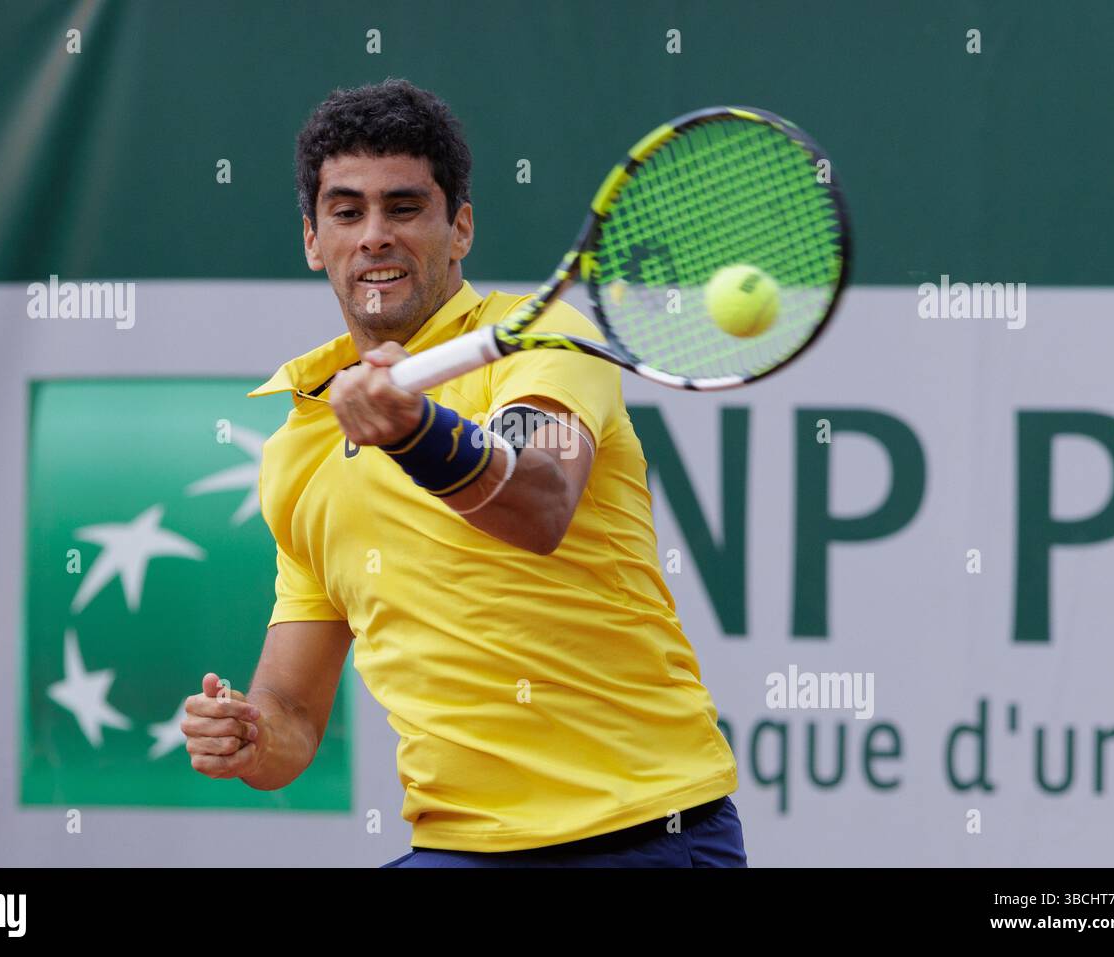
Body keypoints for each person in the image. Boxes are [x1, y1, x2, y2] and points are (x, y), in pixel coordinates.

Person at [181, 78, 745, 867]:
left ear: (460, 229)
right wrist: (248, 733)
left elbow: (540, 498)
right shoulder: (298, 450)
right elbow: (294, 718)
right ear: (313, 239)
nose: (374, 235)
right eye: (347, 212)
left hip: (641, 831)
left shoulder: (543, 336)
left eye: (405, 208)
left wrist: (417, 434)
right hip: (457, 845)